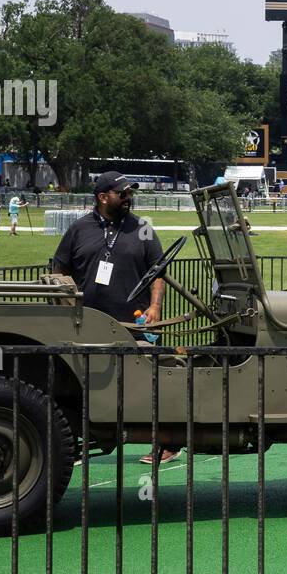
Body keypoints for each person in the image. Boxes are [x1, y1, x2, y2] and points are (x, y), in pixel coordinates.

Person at [51, 171, 175, 464]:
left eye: (130, 193)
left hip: (134, 324)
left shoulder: (142, 228)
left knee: (151, 382)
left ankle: (168, 443)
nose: (128, 198)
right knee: (89, 383)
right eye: (123, 194)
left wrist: (155, 307)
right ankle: (84, 439)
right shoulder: (79, 229)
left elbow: (158, 273)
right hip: (90, 323)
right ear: (103, 197)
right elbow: (59, 271)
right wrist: (67, 304)